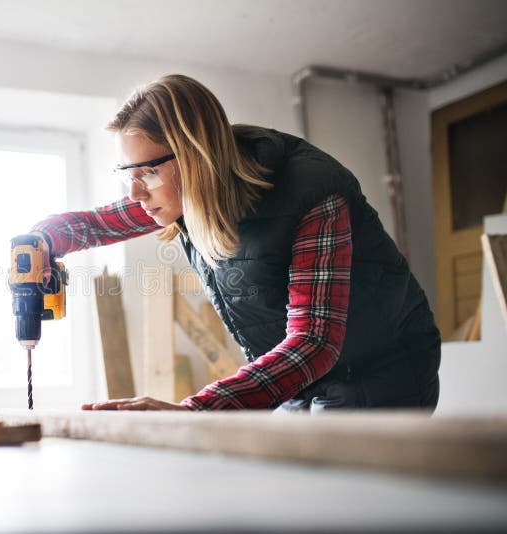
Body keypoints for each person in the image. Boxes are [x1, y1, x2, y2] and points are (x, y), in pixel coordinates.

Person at [27, 74, 440, 413]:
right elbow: (100, 223)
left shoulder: (312, 194)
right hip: (301, 380)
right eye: (125, 172)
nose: (134, 192)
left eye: (147, 172)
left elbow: (313, 342)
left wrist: (195, 412)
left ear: (195, 156)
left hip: (383, 374)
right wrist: (40, 240)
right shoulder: (181, 194)